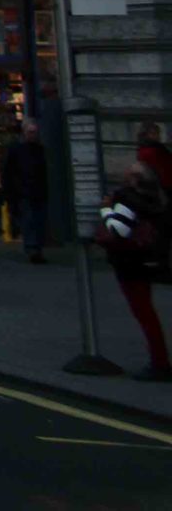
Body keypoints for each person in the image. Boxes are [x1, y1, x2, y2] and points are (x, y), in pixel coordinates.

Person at [98, 161, 170, 381]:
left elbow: (117, 229)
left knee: (144, 312)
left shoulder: (127, 199)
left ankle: (159, 362)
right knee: (147, 311)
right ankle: (160, 359)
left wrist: (106, 210)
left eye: (128, 173)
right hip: (149, 259)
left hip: (129, 262)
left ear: (133, 180)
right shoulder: (158, 199)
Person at [0, 120, 49, 264]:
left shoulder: (39, 150)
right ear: (24, 133)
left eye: (34, 132)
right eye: (30, 132)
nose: (33, 135)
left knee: (38, 221)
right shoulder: (17, 150)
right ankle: (33, 249)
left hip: (37, 191)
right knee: (29, 220)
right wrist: (10, 191)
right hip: (24, 191)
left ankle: (36, 248)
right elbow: (8, 172)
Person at [135, 121, 172, 192]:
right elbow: (160, 170)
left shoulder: (157, 147)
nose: (157, 136)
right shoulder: (150, 151)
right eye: (153, 133)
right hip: (164, 185)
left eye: (158, 133)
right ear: (145, 135)